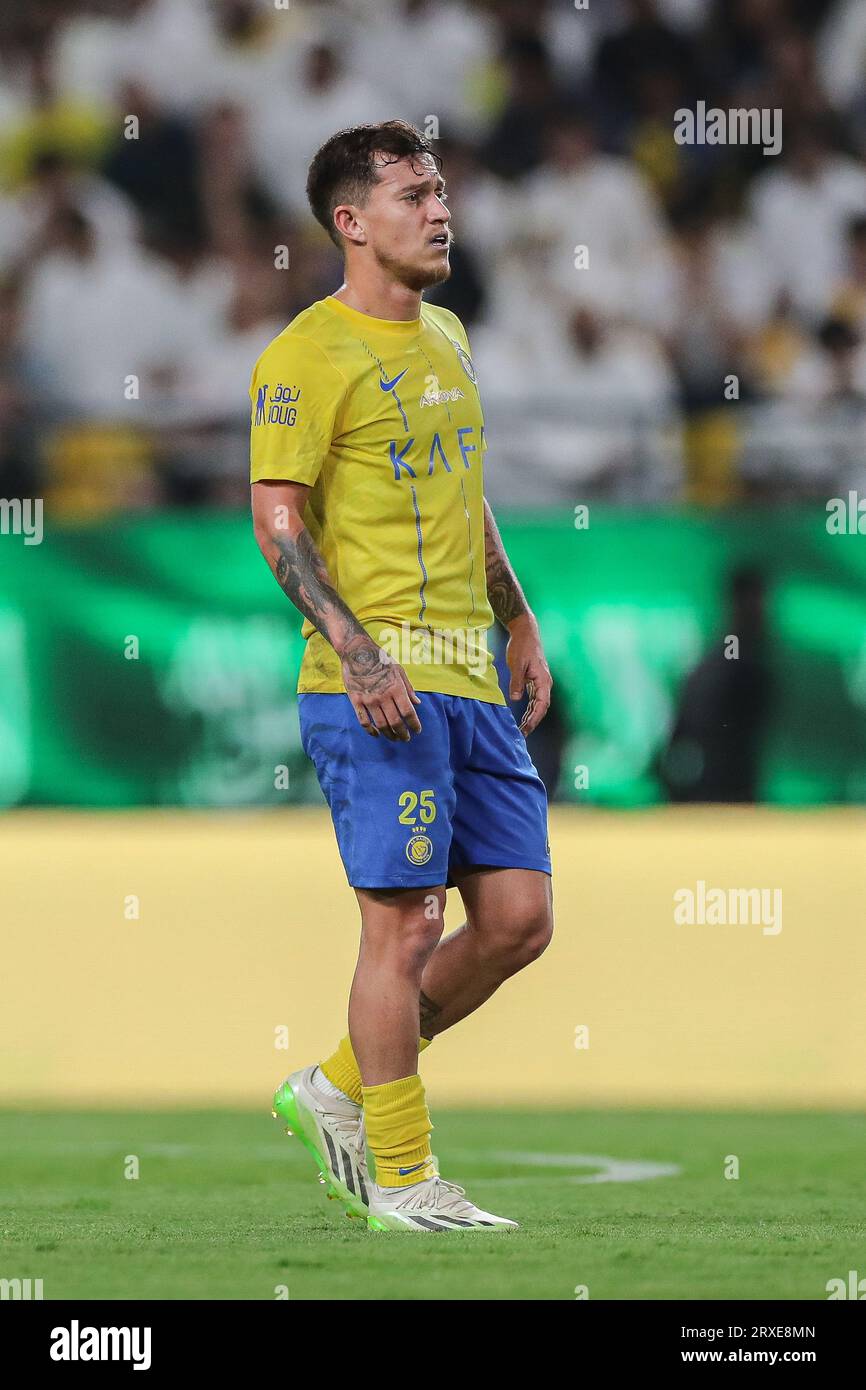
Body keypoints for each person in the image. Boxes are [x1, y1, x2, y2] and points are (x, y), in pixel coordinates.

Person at [250, 120, 554, 1233]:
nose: (439, 211)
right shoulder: (303, 357)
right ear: (350, 222)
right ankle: (402, 1177)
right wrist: (360, 650)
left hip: (470, 673)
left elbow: (464, 490)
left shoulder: (449, 336)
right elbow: (276, 522)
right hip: (371, 682)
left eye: (440, 192)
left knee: (519, 919)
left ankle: (334, 1084)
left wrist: (516, 616)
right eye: (414, 195)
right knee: (405, 927)